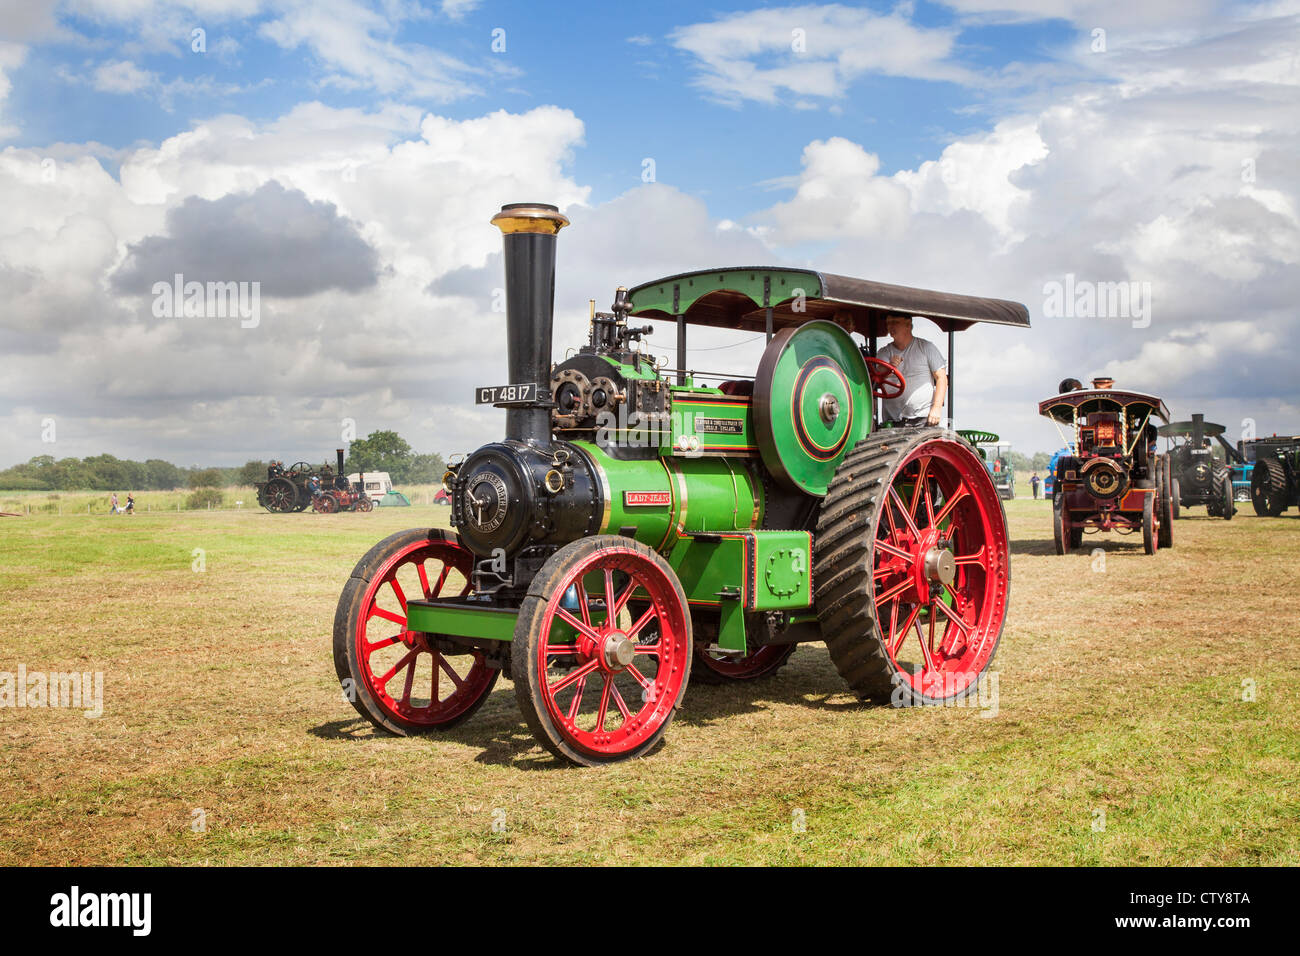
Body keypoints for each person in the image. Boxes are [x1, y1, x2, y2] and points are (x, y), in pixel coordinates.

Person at [877, 314, 948, 427]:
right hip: (892, 421)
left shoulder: (926, 347)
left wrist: (936, 408)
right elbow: (877, 376)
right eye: (888, 323)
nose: (890, 326)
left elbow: (941, 378)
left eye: (895, 322)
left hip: (922, 420)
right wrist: (889, 367)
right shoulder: (884, 352)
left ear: (908, 325)